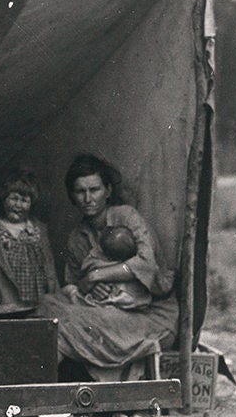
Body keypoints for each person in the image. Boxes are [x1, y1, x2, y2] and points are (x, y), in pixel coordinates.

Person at [33, 153, 178, 381]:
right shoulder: (77, 238)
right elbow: (72, 285)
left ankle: (37, 387)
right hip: (105, 311)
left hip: (150, 316)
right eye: (80, 191)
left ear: (108, 191)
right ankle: (35, 386)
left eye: (95, 189)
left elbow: (147, 264)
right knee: (46, 306)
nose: (88, 198)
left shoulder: (126, 217)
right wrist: (86, 287)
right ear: (72, 195)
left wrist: (98, 276)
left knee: (60, 325)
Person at [0, 169, 59, 314]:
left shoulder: (38, 229)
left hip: (37, 296)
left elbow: (49, 267)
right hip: (8, 298)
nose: (18, 205)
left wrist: (54, 294)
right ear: (4, 199)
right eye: (14, 198)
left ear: (32, 203)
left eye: (24, 200)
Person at [76, 224, 151, 310]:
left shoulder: (95, 261)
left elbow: (85, 269)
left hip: (112, 293)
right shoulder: (125, 262)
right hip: (128, 296)